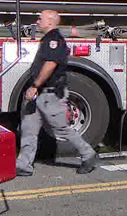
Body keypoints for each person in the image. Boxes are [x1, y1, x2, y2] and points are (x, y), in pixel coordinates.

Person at [16, 10, 97, 176]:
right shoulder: (47, 39)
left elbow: (50, 64)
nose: (37, 21)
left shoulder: (54, 39)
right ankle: (24, 165)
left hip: (50, 95)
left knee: (61, 129)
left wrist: (35, 86)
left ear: (51, 21)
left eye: (40, 19)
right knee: (29, 128)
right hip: (41, 95)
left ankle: (88, 154)